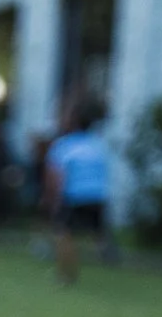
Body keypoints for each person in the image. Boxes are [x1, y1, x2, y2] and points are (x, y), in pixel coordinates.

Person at [45, 108, 114, 286]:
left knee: (63, 234)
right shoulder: (98, 144)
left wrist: (52, 199)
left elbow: (56, 175)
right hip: (98, 195)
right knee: (96, 231)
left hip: (74, 195)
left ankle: (66, 275)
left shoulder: (64, 145)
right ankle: (105, 248)